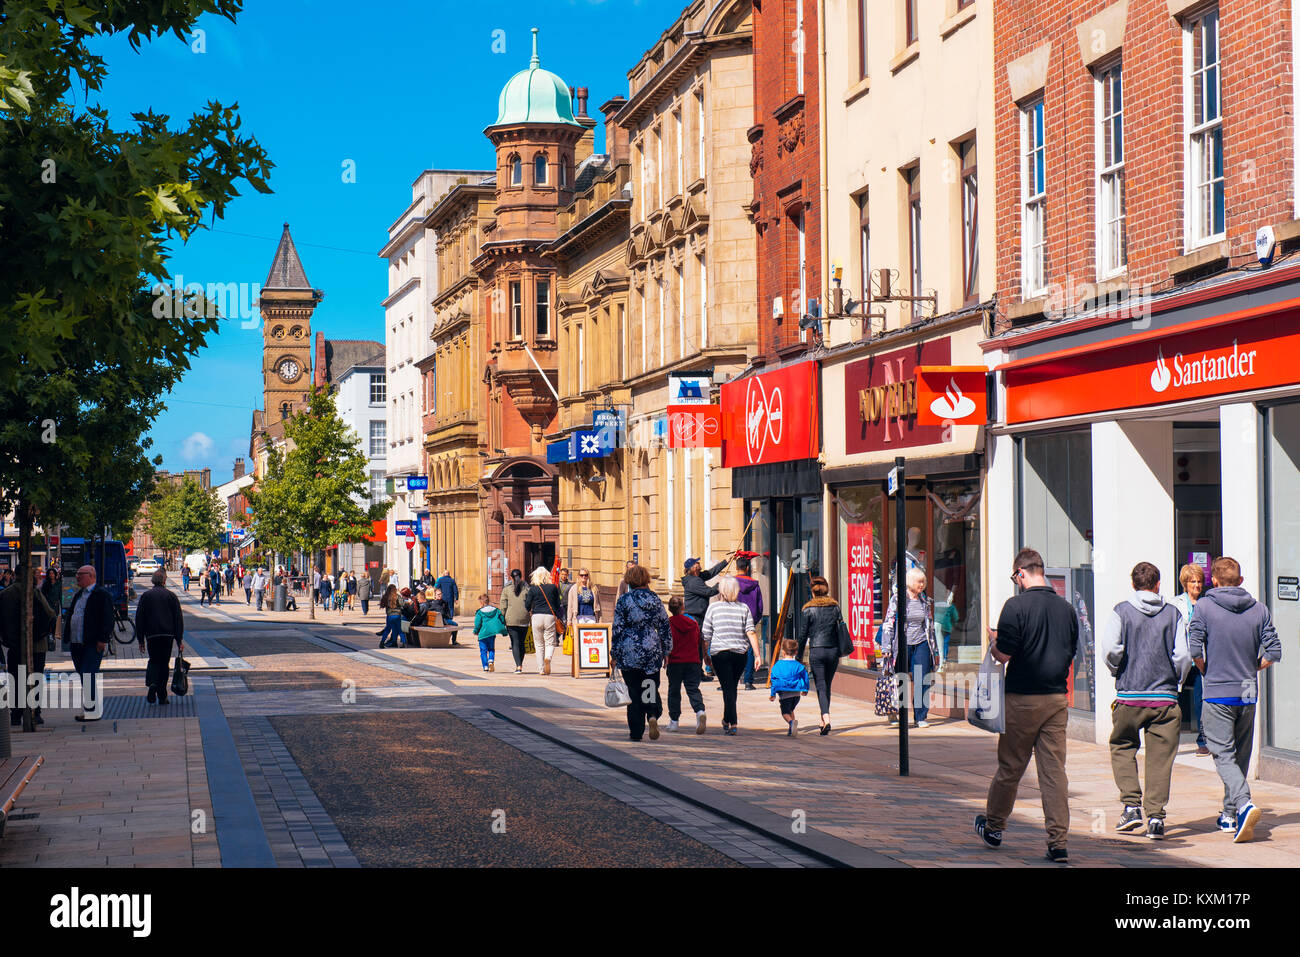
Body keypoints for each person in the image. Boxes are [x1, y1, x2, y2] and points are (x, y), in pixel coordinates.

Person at [975, 548, 1078, 864]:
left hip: (1021, 698)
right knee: (1053, 773)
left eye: (1014, 577)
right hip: (1057, 699)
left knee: (1011, 766)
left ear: (1021, 573)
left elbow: (1004, 654)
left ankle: (994, 827)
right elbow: (1072, 652)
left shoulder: (1015, 607)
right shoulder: (1067, 609)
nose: (1015, 582)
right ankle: (1058, 842)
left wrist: (994, 641)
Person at [1188, 555, 1282, 843]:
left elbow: (1194, 649)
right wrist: (1253, 668)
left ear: (1213, 581)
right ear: (1240, 581)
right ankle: (1229, 816)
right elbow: (1274, 651)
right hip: (1247, 690)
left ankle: (1242, 803)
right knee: (1239, 755)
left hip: (1217, 690)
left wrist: (1207, 671)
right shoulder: (1259, 609)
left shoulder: (1204, 606)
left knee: (1222, 754)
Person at [1099, 561, 1192, 840]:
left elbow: (1110, 649)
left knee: (1122, 746)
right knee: (1160, 759)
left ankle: (1130, 807)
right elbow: (1184, 656)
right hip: (1164, 698)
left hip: (1130, 695)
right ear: (1158, 584)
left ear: (1133, 584)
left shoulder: (1121, 611)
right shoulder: (1173, 614)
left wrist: (1118, 669)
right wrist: (1175, 680)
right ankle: (1156, 818)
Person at [611, 564, 671, 742]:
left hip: (629, 650)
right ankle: (652, 714)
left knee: (633, 692)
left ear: (629, 580)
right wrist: (667, 651)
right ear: (646, 579)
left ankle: (636, 732)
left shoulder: (624, 600)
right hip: (651, 647)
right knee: (650, 685)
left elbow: (618, 628)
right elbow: (664, 626)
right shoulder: (654, 599)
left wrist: (614, 653)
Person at [701, 576, 763, 736]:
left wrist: (705, 655)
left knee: (728, 688)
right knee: (731, 687)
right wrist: (757, 654)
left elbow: (706, 635)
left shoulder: (713, 608)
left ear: (721, 590)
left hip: (720, 653)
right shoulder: (743, 608)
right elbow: (750, 631)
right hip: (739, 654)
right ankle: (727, 719)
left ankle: (732, 721)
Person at [880, 567, 940, 728]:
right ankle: (899, 711)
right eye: (919, 582)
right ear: (910, 582)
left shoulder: (924, 600)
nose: (922, 585)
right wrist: (886, 647)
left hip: (921, 643)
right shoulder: (898, 599)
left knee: (923, 680)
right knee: (900, 679)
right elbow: (888, 622)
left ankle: (920, 716)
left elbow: (930, 626)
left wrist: (935, 651)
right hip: (901, 645)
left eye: (923, 582)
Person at [1, 565, 56, 726]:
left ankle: (16, 714)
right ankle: (35, 711)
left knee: (16, 679)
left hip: (13, 644)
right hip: (37, 644)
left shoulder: (5, 594)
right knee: (36, 678)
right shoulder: (34, 592)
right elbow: (50, 613)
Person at [63, 564, 114, 721]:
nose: (77, 577)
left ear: (91, 576)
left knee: (88, 674)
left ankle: (91, 711)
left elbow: (107, 618)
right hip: (77, 642)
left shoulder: (101, 594)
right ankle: (91, 709)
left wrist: (102, 639)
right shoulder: (79, 594)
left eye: (81, 574)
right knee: (84, 675)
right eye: (77, 574)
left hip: (92, 642)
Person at [798, 575, 843, 735]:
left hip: (816, 650)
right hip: (832, 651)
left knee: (821, 686)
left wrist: (798, 655)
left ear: (813, 591)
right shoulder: (835, 607)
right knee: (827, 686)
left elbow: (803, 635)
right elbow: (840, 630)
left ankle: (826, 717)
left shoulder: (808, 609)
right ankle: (823, 719)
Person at [1171, 563, 1208, 754]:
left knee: (1201, 700)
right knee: (1175, 699)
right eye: (1193, 581)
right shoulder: (1175, 604)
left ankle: (1203, 741)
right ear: (1185, 583)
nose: (1197, 585)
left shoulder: (1207, 603)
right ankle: (1170, 739)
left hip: (1200, 660)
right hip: (1182, 658)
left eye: (1200, 581)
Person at [135, 568, 185, 705]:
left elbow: (139, 618)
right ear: (164, 580)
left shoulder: (146, 596)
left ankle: (152, 683)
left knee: (153, 660)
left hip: (151, 635)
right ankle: (162, 695)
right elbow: (178, 619)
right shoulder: (171, 596)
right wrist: (179, 639)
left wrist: (140, 639)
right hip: (167, 635)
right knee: (164, 663)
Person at [664, 596, 707, 734]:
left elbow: (667, 643)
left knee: (674, 691)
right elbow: (698, 640)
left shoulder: (669, 623)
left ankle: (674, 722)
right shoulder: (693, 623)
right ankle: (700, 711)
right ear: (683, 607)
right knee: (693, 689)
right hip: (693, 660)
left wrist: (665, 657)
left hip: (675, 661)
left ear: (670, 609)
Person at [769, 637, 810, 736]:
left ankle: (791, 723)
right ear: (796, 652)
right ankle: (791, 729)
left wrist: (773, 693)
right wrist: (805, 689)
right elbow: (805, 677)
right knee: (791, 710)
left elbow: (773, 679)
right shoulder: (798, 665)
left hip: (784, 694)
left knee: (785, 713)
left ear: (783, 652)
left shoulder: (778, 665)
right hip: (796, 694)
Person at [526, 566, 563, 675]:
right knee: (550, 642)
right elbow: (557, 604)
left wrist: (530, 610)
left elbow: (527, 604)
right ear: (548, 576)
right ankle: (548, 658)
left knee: (539, 644)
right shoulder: (553, 588)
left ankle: (541, 669)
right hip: (549, 616)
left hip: (536, 616)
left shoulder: (533, 588)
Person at [734, 556, 764, 690]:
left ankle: (732, 680)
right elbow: (759, 606)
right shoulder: (755, 585)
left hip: (734, 618)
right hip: (750, 618)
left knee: (733, 648)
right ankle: (748, 681)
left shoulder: (731, 583)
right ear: (747, 568)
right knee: (750, 649)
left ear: (736, 567)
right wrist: (754, 620)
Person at [681, 555, 731, 624]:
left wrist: (725, 562)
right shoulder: (693, 581)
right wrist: (719, 584)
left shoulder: (696, 576)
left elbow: (710, 573)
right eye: (696, 562)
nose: (698, 563)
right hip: (695, 618)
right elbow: (709, 592)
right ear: (694, 568)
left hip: (698, 616)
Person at [500, 569, 531, 673]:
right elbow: (530, 603)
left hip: (511, 619)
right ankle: (520, 664)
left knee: (515, 642)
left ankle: (518, 666)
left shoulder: (507, 589)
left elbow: (503, 605)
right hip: (524, 618)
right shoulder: (527, 588)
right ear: (521, 576)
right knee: (521, 642)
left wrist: (503, 617)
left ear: (511, 577)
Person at [473, 593, 506, 672]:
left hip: (483, 634)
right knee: (491, 649)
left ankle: (485, 666)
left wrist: (475, 631)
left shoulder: (479, 612)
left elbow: (477, 624)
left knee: (483, 651)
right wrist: (503, 625)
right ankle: (491, 660)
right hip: (492, 633)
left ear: (481, 602)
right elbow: (502, 618)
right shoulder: (496, 610)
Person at [377, 584, 403, 648]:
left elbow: (383, 605)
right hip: (397, 615)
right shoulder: (397, 596)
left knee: (387, 630)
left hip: (389, 615)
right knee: (397, 630)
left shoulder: (386, 596)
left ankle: (382, 642)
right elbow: (402, 604)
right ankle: (398, 642)